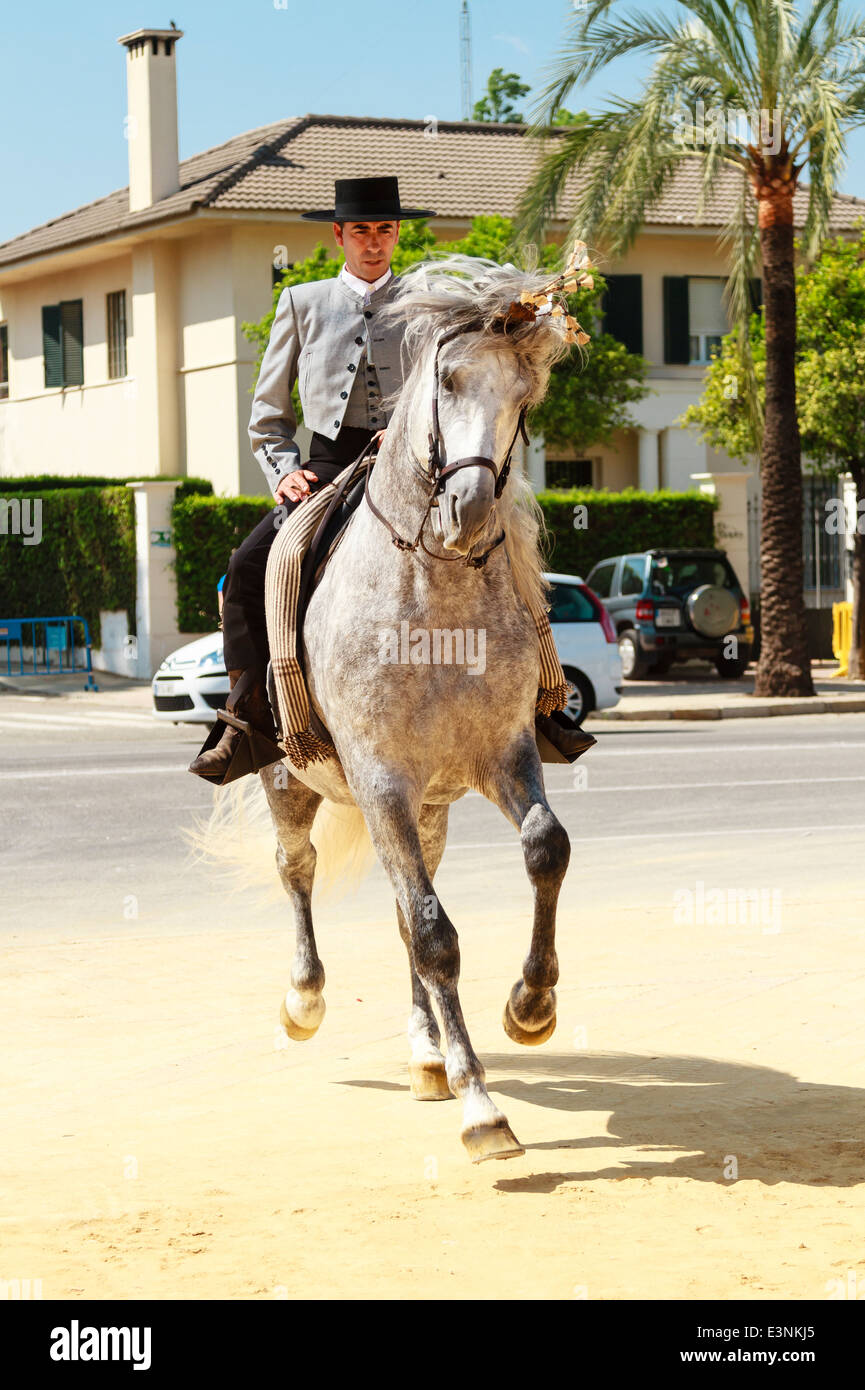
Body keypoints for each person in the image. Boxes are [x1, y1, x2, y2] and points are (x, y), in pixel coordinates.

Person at [189, 176, 432, 780]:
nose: (373, 243)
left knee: (500, 539)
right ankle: (243, 711)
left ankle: (539, 704)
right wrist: (287, 472)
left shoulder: (426, 301)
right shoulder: (301, 301)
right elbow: (268, 415)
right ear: (340, 235)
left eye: (384, 230)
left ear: (397, 233)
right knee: (247, 564)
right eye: (361, 232)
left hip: (413, 460)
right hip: (326, 462)